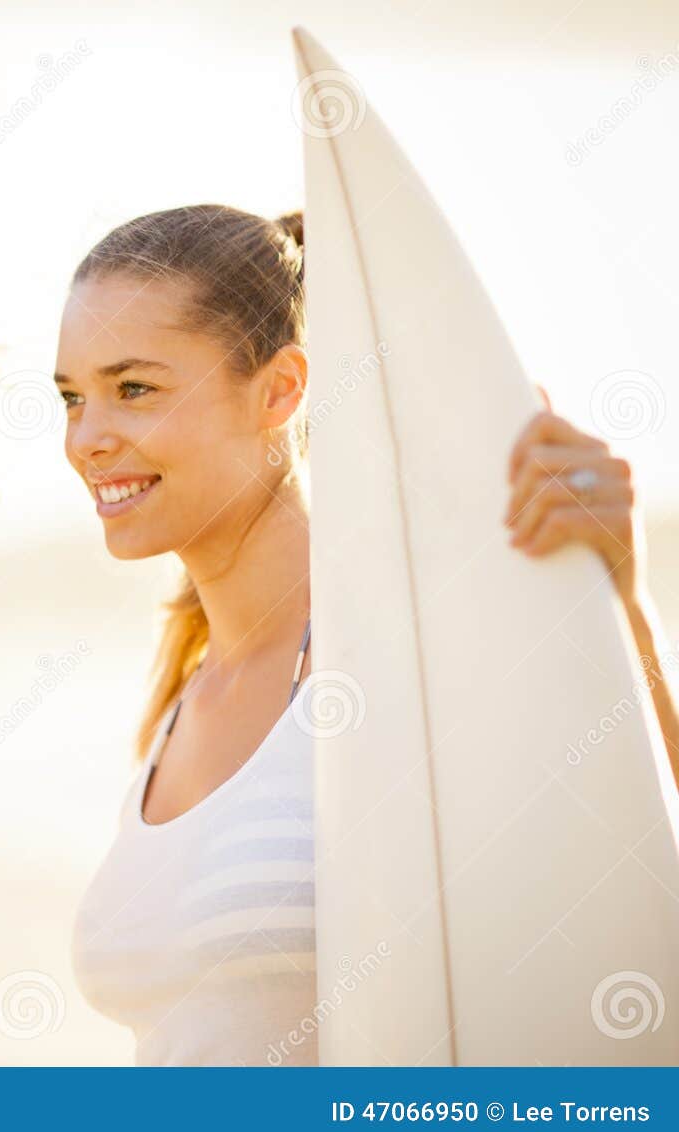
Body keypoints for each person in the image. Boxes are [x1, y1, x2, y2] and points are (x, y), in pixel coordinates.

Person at [57, 204, 678, 1065]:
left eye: (133, 389)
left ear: (281, 389)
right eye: (71, 398)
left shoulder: (406, 653)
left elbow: (639, 882)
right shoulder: (181, 699)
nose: (87, 439)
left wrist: (618, 603)